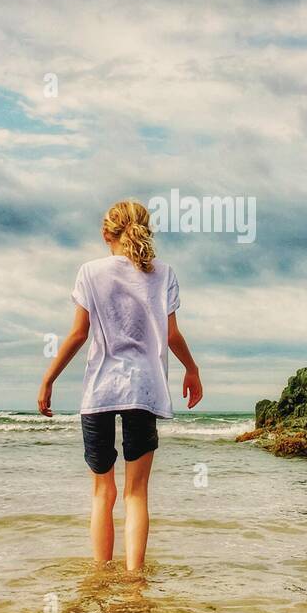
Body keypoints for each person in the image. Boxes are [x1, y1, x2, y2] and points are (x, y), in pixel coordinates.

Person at [38, 199, 203, 571]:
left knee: (102, 491)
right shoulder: (163, 273)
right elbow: (172, 335)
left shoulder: (89, 272)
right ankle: (134, 581)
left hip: (100, 389)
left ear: (105, 233)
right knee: (136, 493)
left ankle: (100, 576)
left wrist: (49, 378)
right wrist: (191, 369)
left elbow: (79, 334)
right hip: (143, 389)